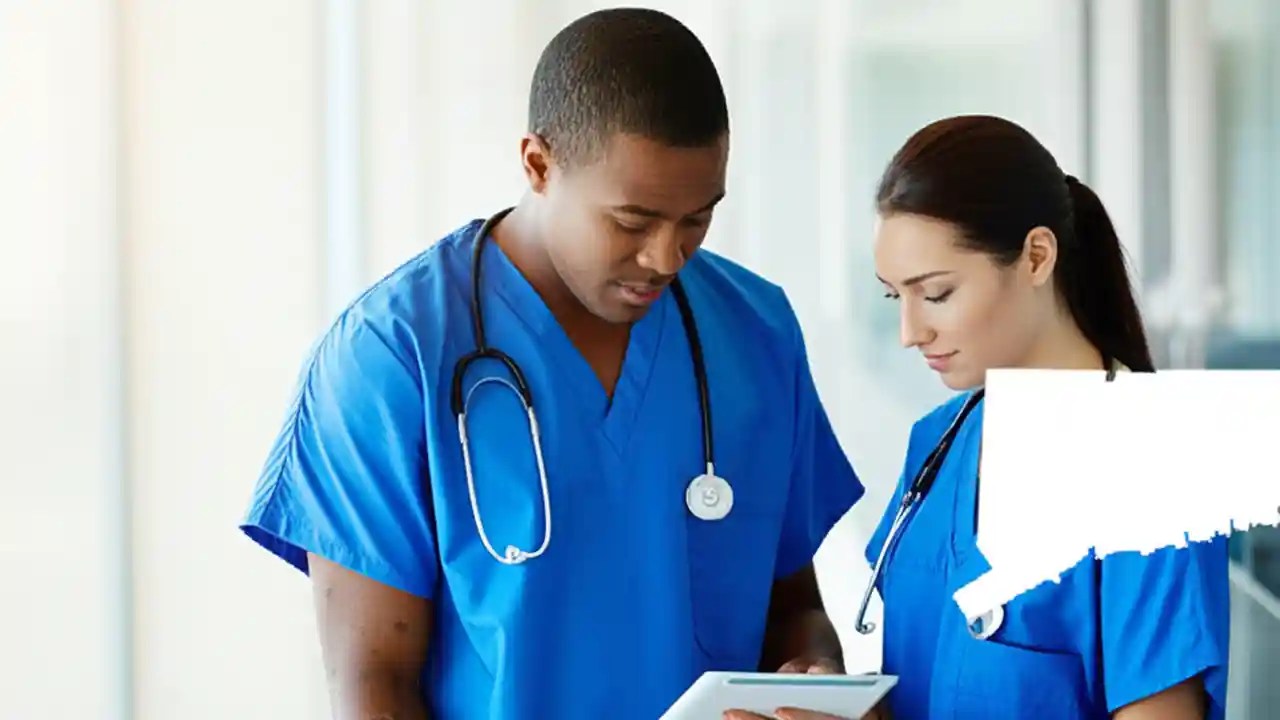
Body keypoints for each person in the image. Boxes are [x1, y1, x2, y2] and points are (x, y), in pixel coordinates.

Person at [239, 8, 864, 720]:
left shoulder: (754, 333)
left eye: (696, 218)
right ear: (538, 163)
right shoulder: (394, 354)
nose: (666, 258)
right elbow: (372, 682)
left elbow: (794, 611)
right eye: (631, 221)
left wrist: (818, 679)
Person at [728, 115, 1231, 720]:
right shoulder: (937, 442)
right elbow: (931, 686)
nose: (911, 333)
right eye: (896, 296)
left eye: (936, 293)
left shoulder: (1154, 472)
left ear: (1037, 256)